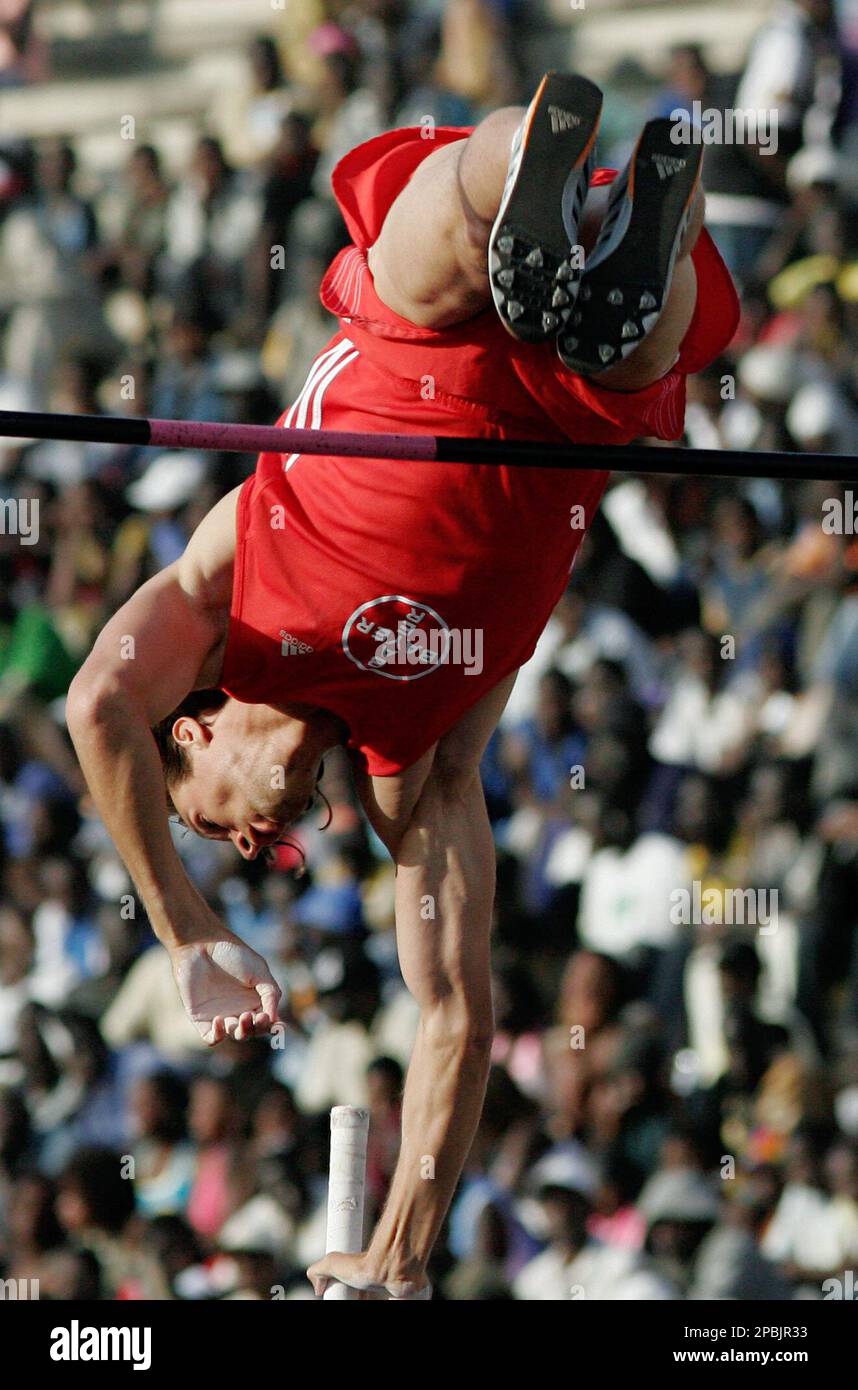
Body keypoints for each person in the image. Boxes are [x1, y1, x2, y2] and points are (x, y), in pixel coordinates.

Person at [67, 72, 739, 1300]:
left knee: (429, 243)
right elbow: (455, 1021)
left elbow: (95, 707)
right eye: (247, 856)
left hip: (414, 347)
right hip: (564, 424)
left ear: (199, 725)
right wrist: (394, 1262)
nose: (264, 837)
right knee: (645, 346)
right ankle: (649, 233)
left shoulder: (221, 608)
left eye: (217, 820)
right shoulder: (415, 773)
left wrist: (186, 932)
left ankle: (528, 172)